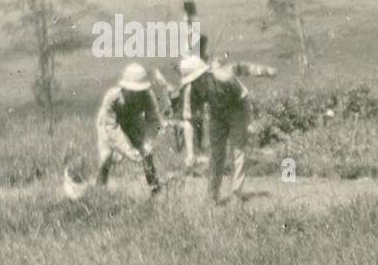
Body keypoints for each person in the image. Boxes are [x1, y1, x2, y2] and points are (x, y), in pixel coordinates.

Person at [178, 55, 276, 203]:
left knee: (238, 151)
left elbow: (244, 85)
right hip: (216, 113)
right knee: (216, 155)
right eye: (193, 81)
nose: (197, 84)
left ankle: (236, 194)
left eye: (198, 79)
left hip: (238, 109)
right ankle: (212, 196)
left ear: (205, 74)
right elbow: (188, 121)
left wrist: (248, 122)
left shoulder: (224, 77)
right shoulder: (190, 91)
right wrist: (190, 152)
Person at [95, 63, 167, 194]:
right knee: (106, 156)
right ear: (124, 87)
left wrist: (147, 141)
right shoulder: (112, 98)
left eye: (139, 91)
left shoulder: (147, 96)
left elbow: (155, 121)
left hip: (133, 120)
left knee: (147, 152)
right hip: (108, 124)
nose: (136, 95)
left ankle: (155, 188)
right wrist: (127, 150)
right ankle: (99, 190)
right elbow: (111, 128)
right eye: (132, 91)